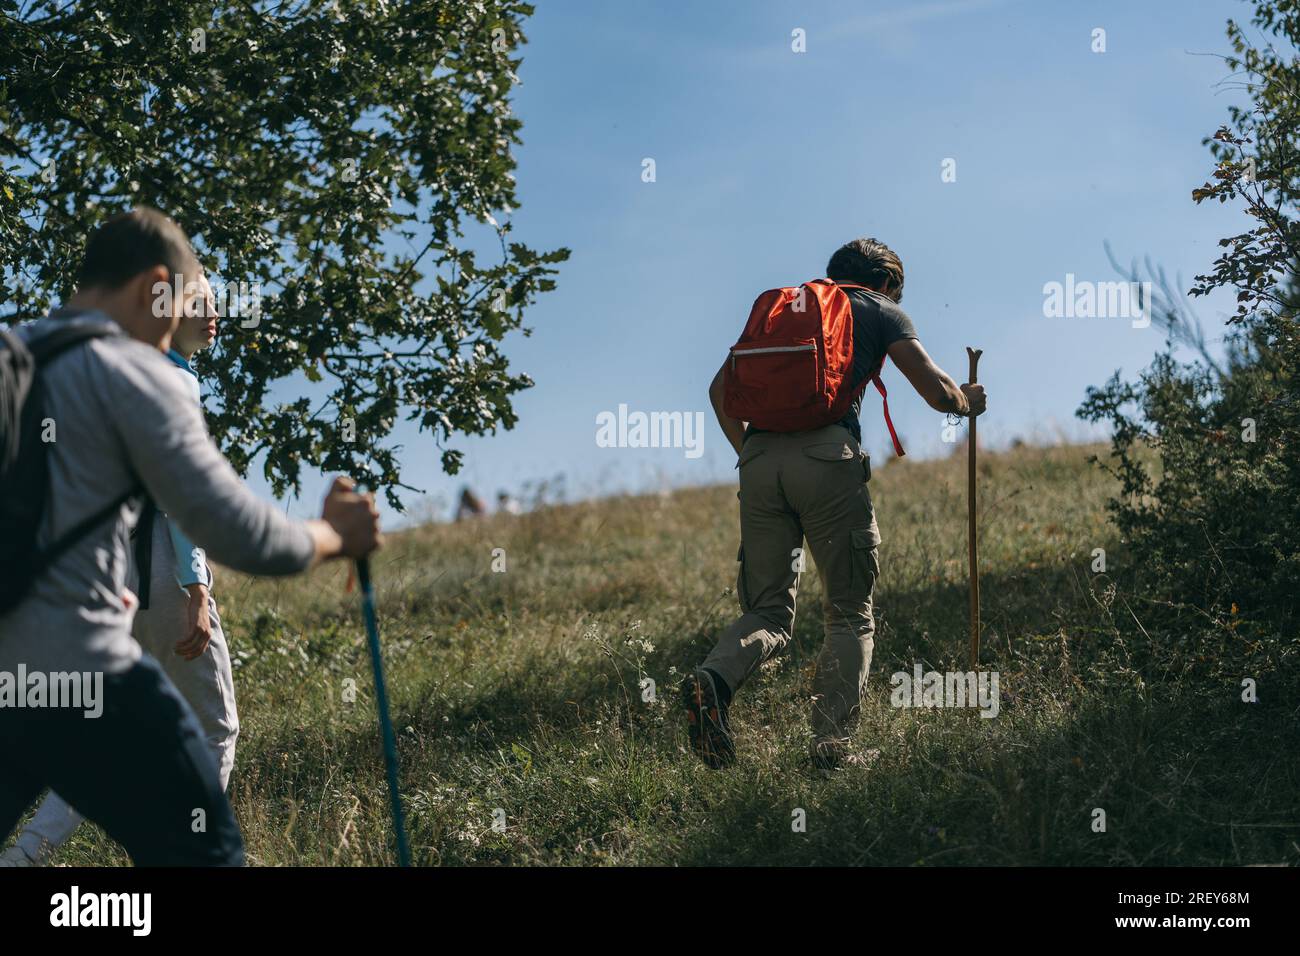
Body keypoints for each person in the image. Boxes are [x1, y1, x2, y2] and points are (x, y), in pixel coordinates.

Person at [0, 208, 381, 866]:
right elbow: (235, 530)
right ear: (155, 284)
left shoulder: (13, 351)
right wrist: (333, 534)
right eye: (176, 306)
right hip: (81, 677)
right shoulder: (132, 369)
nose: (174, 329)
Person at [682, 237, 987, 770]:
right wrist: (966, 401)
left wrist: (754, 455)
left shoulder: (788, 307)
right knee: (849, 613)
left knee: (768, 612)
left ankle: (714, 679)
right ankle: (831, 748)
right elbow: (935, 391)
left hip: (758, 462)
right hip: (827, 457)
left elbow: (717, 392)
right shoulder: (879, 308)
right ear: (887, 281)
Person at [2, 273, 241, 866]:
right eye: (201, 305)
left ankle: (25, 856)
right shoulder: (175, 379)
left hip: (107, 581)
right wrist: (195, 585)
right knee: (217, 728)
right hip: (162, 566)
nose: (215, 316)